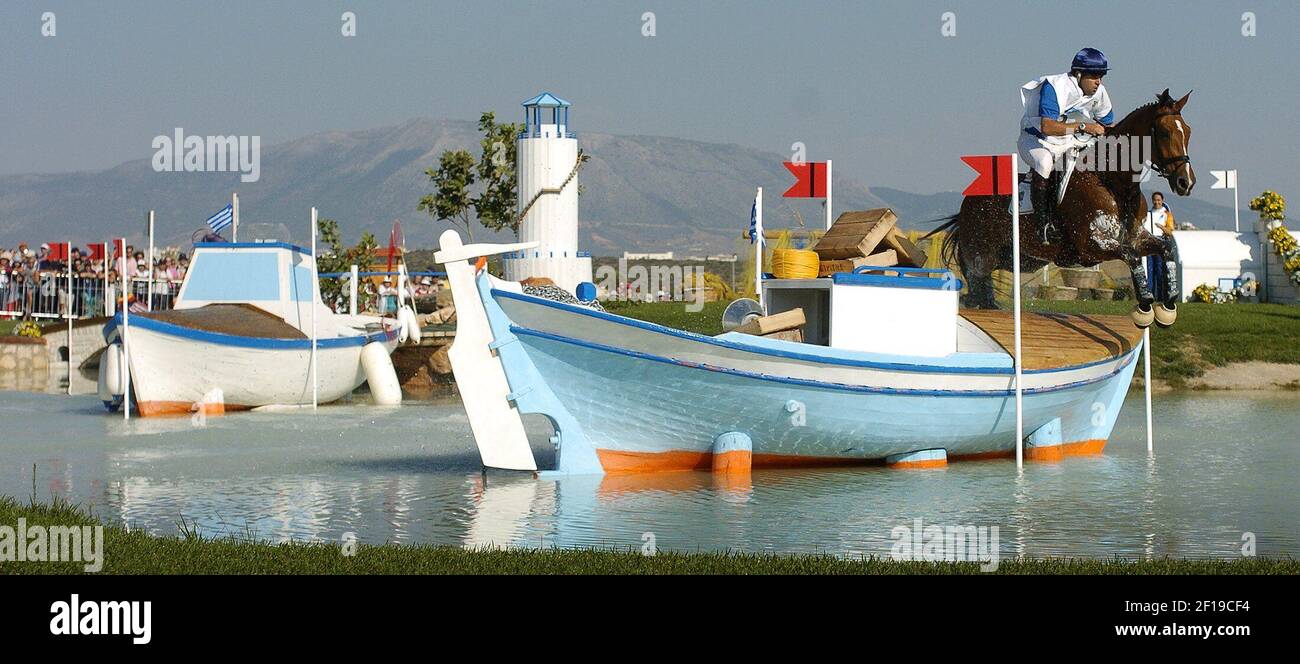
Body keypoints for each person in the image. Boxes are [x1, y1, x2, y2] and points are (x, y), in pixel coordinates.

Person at [1018, 47, 1117, 244]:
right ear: (1079, 74)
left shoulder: (1099, 92)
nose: (1099, 82)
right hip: (1036, 139)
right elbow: (1047, 127)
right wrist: (1085, 126)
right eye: (1095, 76)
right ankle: (1042, 225)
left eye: (1102, 76)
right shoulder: (1054, 87)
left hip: (1069, 140)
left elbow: (1109, 124)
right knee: (1045, 163)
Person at [1144, 191, 1175, 300]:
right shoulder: (1148, 213)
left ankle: (1161, 296)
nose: (1157, 202)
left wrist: (1161, 227)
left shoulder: (1167, 214)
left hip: (1161, 243)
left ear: (1162, 201)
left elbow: (1170, 231)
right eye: (1155, 200)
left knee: (1160, 270)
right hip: (1150, 243)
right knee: (1150, 270)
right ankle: (1151, 294)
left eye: (1159, 200)